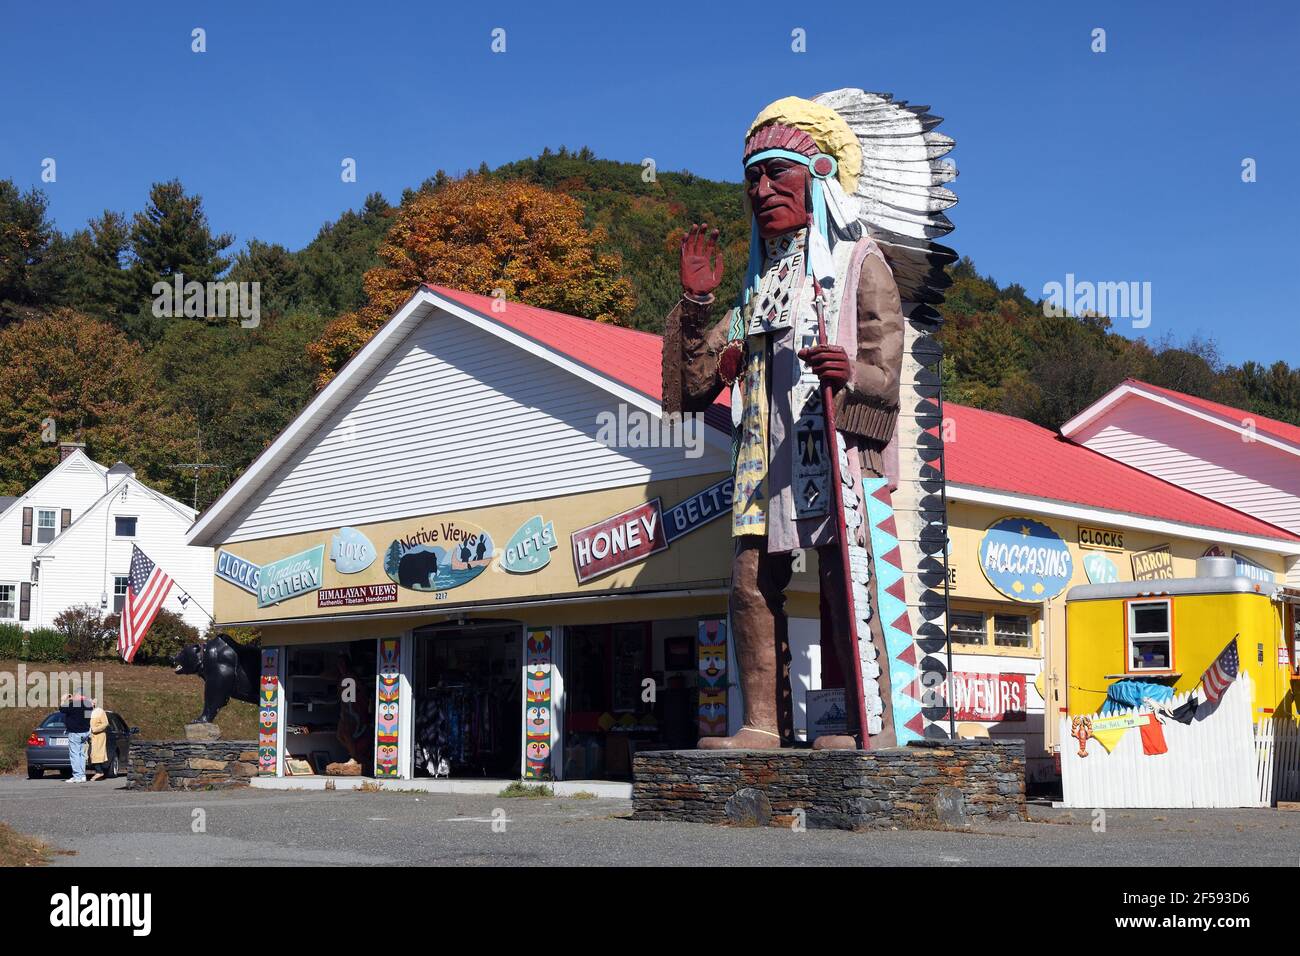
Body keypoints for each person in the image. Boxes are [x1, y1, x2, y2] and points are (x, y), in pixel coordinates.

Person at [60, 692, 92, 782]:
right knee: (82, 754)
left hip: (75, 733)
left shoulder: (73, 705)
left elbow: (62, 709)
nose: (72, 696)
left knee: (74, 755)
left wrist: (63, 700)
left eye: (74, 695)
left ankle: (77, 776)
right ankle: (82, 776)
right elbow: (88, 718)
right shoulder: (88, 705)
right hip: (85, 732)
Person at [88, 701, 110, 781]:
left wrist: (95, 729)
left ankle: (99, 771)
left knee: (96, 754)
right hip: (89, 736)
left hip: (98, 736)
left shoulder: (100, 711)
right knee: (90, 754)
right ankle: (99, 771)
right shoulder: (87, 712)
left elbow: (105, 723)